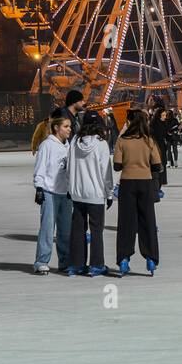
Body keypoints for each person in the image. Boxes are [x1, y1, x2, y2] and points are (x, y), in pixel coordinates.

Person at [113, 110, 162, 273]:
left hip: (127, 183)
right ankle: (150, 258)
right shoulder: (149, 141)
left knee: (126, 222)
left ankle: (124, 258)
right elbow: (157, 166)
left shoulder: (122, 140)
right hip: (145, 183)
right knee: (147, 220)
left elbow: (117, 165)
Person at [69, 117, 114, 276]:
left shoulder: (75, 141)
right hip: (95, 194)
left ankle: (76, 264)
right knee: (96, 230)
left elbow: (69, 165)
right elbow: (106, 171)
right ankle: (96, 265)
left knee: (78, 230)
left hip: (77, 193)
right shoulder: (101, 144)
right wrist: (109, 193)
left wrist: (71, 187)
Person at [32, 115, 73, 274]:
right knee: (48, 228)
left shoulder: (69, 146)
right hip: (49, 192)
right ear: (57, 128)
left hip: (66, 192)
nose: (69, 129)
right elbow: (40, 167)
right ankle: (41, 261)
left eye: (70, 126)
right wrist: (39, 188)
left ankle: (65, 261)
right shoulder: (47, 145)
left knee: (65, 230)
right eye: (66, 126)